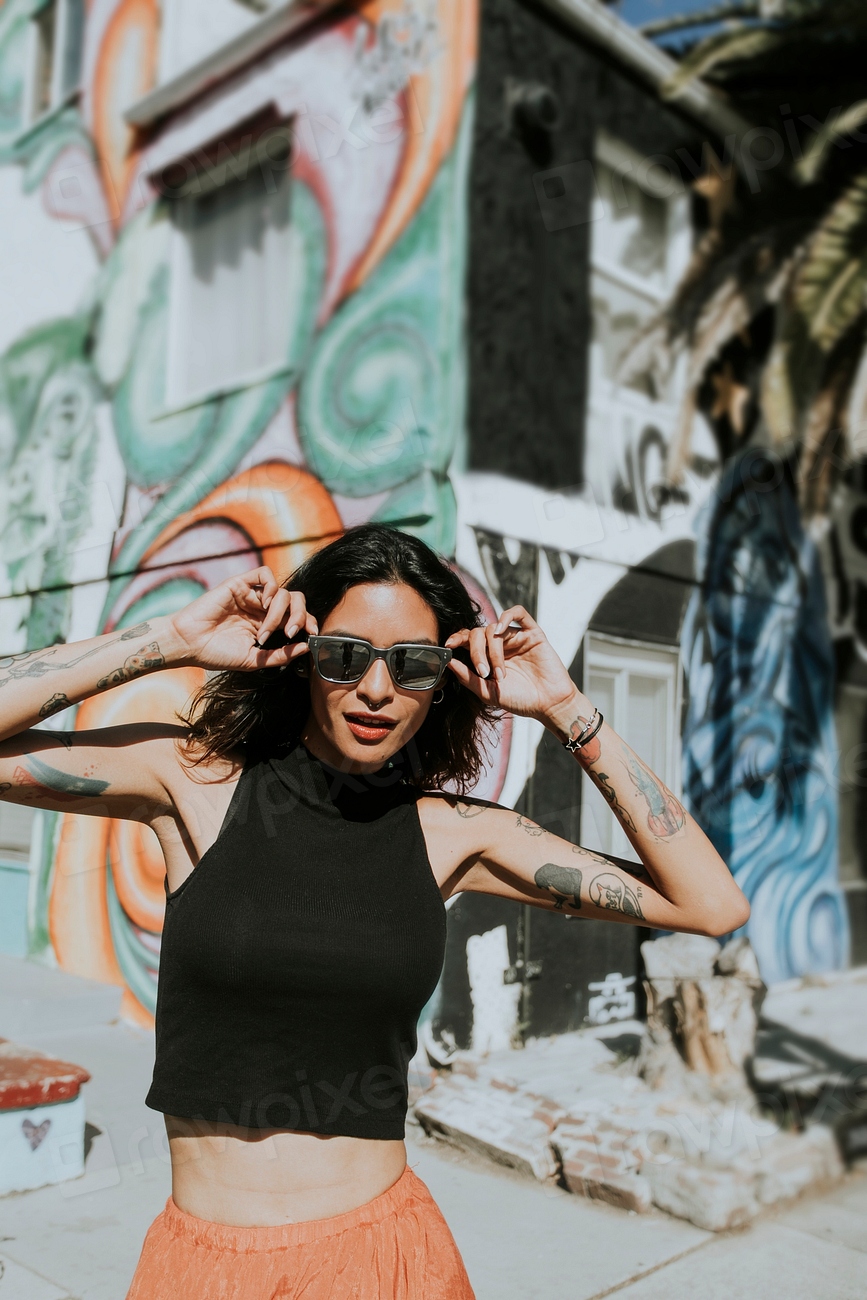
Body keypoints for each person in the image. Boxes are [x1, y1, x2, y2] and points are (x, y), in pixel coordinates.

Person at [0, 524, 749, 1299]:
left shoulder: (452, 834)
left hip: (383, 1262)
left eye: (413, 664)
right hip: (204, 1271)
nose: (376, 689)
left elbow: (709, 904)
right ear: (303, 653)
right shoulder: (194, 783)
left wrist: (565, 708)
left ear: (444, 680)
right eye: (346, 655)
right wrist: (172, 638)